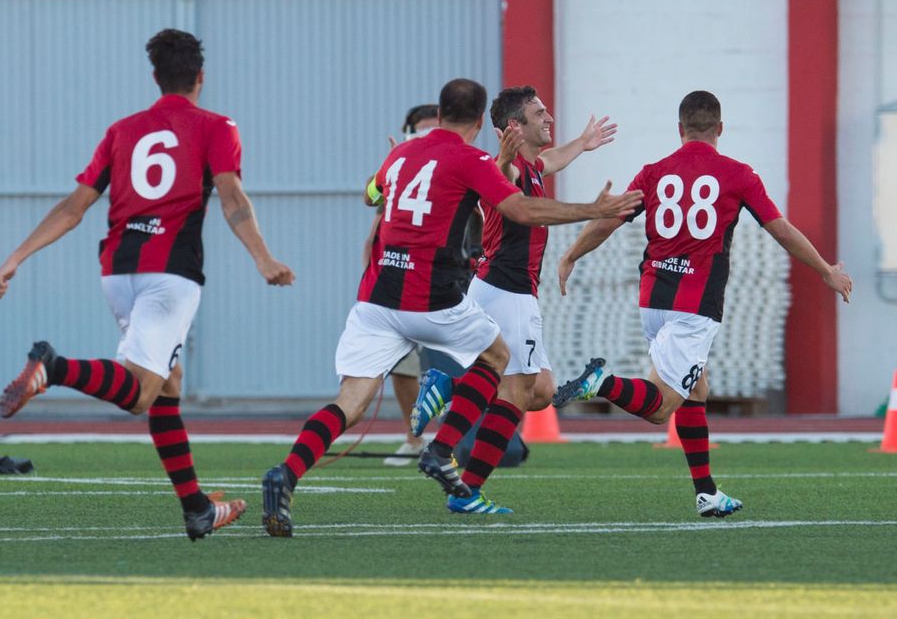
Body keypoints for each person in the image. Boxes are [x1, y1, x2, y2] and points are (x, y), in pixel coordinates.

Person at [259, 77, 640, 536]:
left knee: (350, 402)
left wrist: (390, 172)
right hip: (432, 296)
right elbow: (519, 208)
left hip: (377, 298)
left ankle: (287, 473)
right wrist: (593, 209)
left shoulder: (401, 155)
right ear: (482, 122)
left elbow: (370, 195)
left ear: (438, 115)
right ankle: (442, 451)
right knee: (497, 359)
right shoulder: (473, 159)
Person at [0, 29, 296, 541]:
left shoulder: (122, 130)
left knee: (166, 388)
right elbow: (232, 197)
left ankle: (197, 507)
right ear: (201, 77)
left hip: (118, 270)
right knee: (138, 393)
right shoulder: (217, 127)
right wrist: (263, 258)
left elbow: (74, 207)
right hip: (171, 273)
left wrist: (15, 258)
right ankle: (54, 368)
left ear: (155, 78)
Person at [554, 90, 853, 518]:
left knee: (697, 387)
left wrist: (570, 256)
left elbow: (608, 221)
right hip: (695, 307)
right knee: (660, 409)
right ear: (720, 129)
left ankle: (707, 492)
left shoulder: (653, 172)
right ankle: (599, 383)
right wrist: (825, 270)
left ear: (680, 130)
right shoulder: (738, 174)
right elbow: (781, 230)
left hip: (653, 300)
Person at [417, 85, 615, 513]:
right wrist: (504, 159)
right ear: (515, 127)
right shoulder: (504, 168)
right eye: (539, 114)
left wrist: (582, 143)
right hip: (507, 291)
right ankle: (467, 491)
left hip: (509, 291)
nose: (549, 119)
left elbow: (551, 159)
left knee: (539, 391)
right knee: (517, 389)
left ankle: (449, 390)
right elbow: (502, 175)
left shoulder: (532, 165)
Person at [365, 103, 440, 467]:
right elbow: (373, 206)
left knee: (479, 359)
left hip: (449, 281)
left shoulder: (461, 164)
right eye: (422, 131)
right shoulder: (399, 167)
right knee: (403, 364)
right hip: (404, 282)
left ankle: (473, 435)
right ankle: (415, 438)